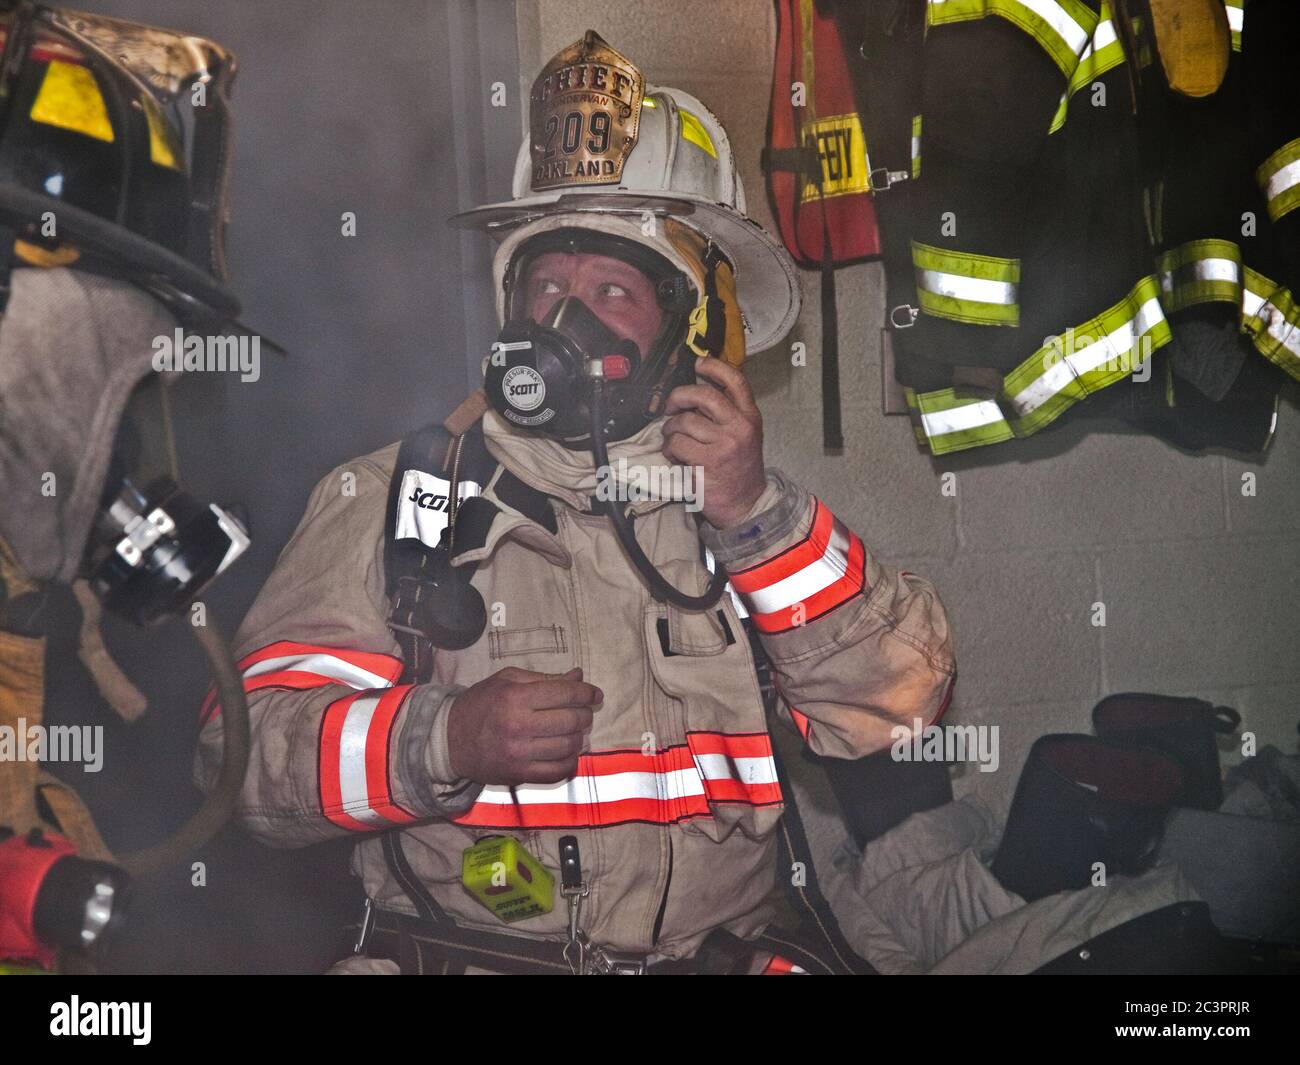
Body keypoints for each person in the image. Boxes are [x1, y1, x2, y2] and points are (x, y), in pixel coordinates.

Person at [196, 30, 954, 975]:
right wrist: (441, 736)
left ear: (695, 325)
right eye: (545, 285)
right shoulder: (398, 497)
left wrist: (755, 515)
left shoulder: (744, 514)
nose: (563, 319)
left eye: (610, 290)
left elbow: (900, 709)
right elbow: (241, 760)